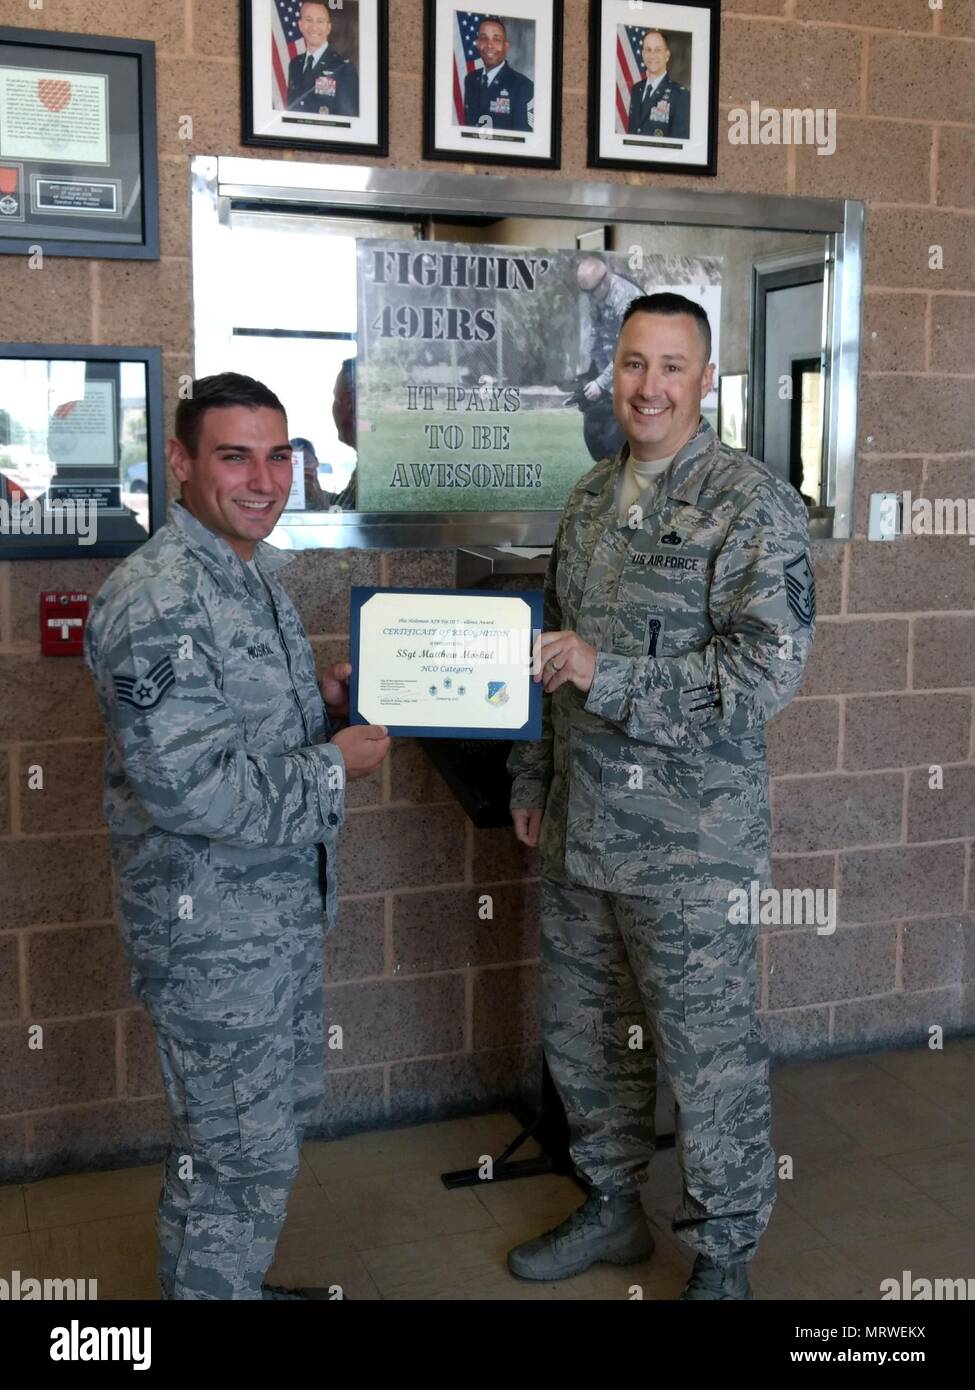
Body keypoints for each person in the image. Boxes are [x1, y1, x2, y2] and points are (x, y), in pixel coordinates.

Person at [506, 294, 815, 1300]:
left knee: (709, 1053)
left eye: (672, 367)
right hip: (582, 830)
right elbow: (550, 656)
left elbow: (762, 676)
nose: (649, 387)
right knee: (586, 1036)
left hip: (691, 845)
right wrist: (532, 776)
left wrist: (614, 675)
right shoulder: (590, 498)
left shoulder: (750, 503)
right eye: (634, 364)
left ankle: (726, 1253)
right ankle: (611, 1206)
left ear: (706, 378)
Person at [83, 373, 390, 1300]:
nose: (263, 479)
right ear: (180, 461)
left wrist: (322, 707)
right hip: (211, 934)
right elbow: (189, 787)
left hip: (270, 921)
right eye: (233, 456)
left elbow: (234, 732)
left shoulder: (245, 573)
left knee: (261, 1130)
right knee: (235, 1158)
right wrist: (336, 764)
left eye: (278, 454)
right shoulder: (160, 598)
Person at [572, 257, 643, 462]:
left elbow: (630, 353)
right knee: (598, 432)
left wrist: (601, 383)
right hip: (613, 373)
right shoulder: (598, 296)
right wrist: (592, 371)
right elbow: (596, 337)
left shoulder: (627, 301)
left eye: (590, 291)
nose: (588, 297)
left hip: (637, 375)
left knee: (621, 441)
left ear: (604, 281)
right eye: (584, 292)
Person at [286, 1, 358, 118]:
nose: (314, 27)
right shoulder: (294, 64)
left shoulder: (344, 68)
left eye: (320, 21)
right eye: (309, 20)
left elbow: (348, 119)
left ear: (328, 27)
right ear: (300, 25)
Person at [463, 16, 533, 131]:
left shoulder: (523, 86)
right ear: (477, 43)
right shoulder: (470, 79)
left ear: (506, 46)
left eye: (496, 39)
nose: (489, 45)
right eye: (484, 38)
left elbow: (523, 139)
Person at [627, 29, 690, 140]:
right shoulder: (636, 89)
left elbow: (680, 145)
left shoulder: (680, 95)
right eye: (648, 50)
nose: (652, 55)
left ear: (667, 55)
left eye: (658, 50)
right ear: (643, 54)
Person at [289, 435, 331, 510]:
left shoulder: (332, 498)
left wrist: (316, 491)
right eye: (294, 463)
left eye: (305, 461)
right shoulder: (282, 500)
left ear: (316, 462)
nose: (301, 468)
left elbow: (334, 517)